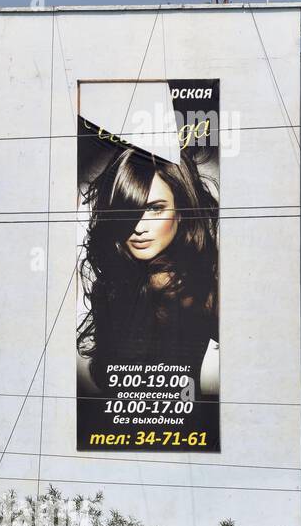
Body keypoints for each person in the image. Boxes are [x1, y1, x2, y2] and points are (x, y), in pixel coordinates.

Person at [78, 146, 219, 401]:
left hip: (178, 429)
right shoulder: (120, 281)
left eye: (155, 208)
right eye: (129, 210)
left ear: (182, 209)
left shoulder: (183, 287)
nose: (140, 227)